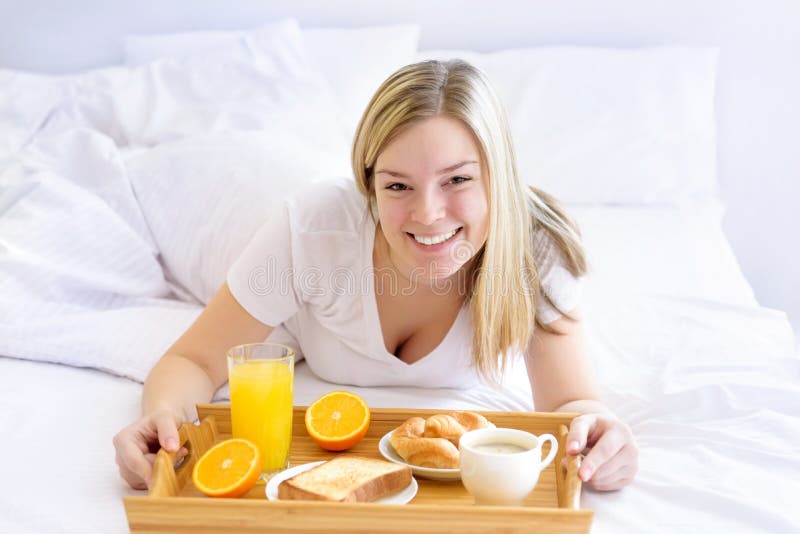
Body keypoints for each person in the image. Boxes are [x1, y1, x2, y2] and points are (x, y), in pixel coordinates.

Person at [113, 59, 638, 492]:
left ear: (499, 177)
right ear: (369, 186)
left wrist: (600, 437)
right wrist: (162, 418)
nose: (429, 213)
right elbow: (194, 358)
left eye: (457, 179)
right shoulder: (312, 231)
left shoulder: (534, 249)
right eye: (397, 186)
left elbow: (569, 407)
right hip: (248, 224)